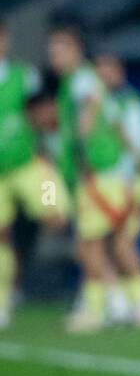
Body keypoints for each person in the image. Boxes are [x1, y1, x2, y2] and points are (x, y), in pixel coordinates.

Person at [48, 24, 138, 333]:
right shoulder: (76, 81)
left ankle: (97, 308)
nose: (54, 56)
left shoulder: (82, 79)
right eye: (52, 50)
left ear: (77, 51)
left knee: (90, 245)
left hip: (94, 172)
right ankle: (116, 303)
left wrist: (83, 150)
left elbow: (89, 108)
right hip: (96, 171)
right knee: (89, 245)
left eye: (61, 49)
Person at [0, 21, 69, 329]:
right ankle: (4, 297)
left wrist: (48, 137)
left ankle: (100, 284)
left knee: (56, 213)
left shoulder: (23, 76)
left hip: (27, 163)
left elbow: (42, 114)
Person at [93, 52, 140, 327]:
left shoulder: (130, 103)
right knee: (105, 244)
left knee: (122, 245)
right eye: (99, 69)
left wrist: (134, 186)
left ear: (119, 70)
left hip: (131, 182)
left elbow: (139, 150)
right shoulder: (103, 103)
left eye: (107, 68)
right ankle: (123, 302)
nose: (103, 74)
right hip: (109, 184)